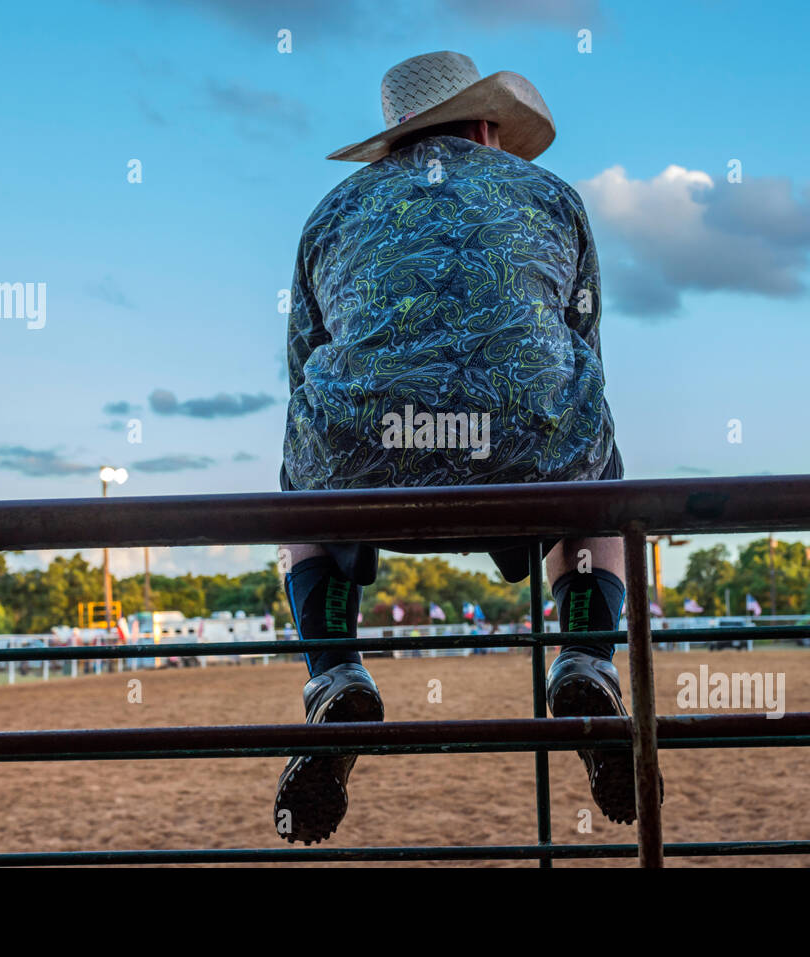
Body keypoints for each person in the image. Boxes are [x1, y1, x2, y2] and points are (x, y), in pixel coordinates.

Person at [274, 51, 645, 845]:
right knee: (597, 473)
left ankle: (335, 674)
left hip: (364, 462)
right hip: (531, 458)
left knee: (302, 475)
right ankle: (585, 660)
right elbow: (585, 348)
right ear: (486, 124)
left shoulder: (330, 213)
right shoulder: (554, 197)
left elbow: (303, 366)